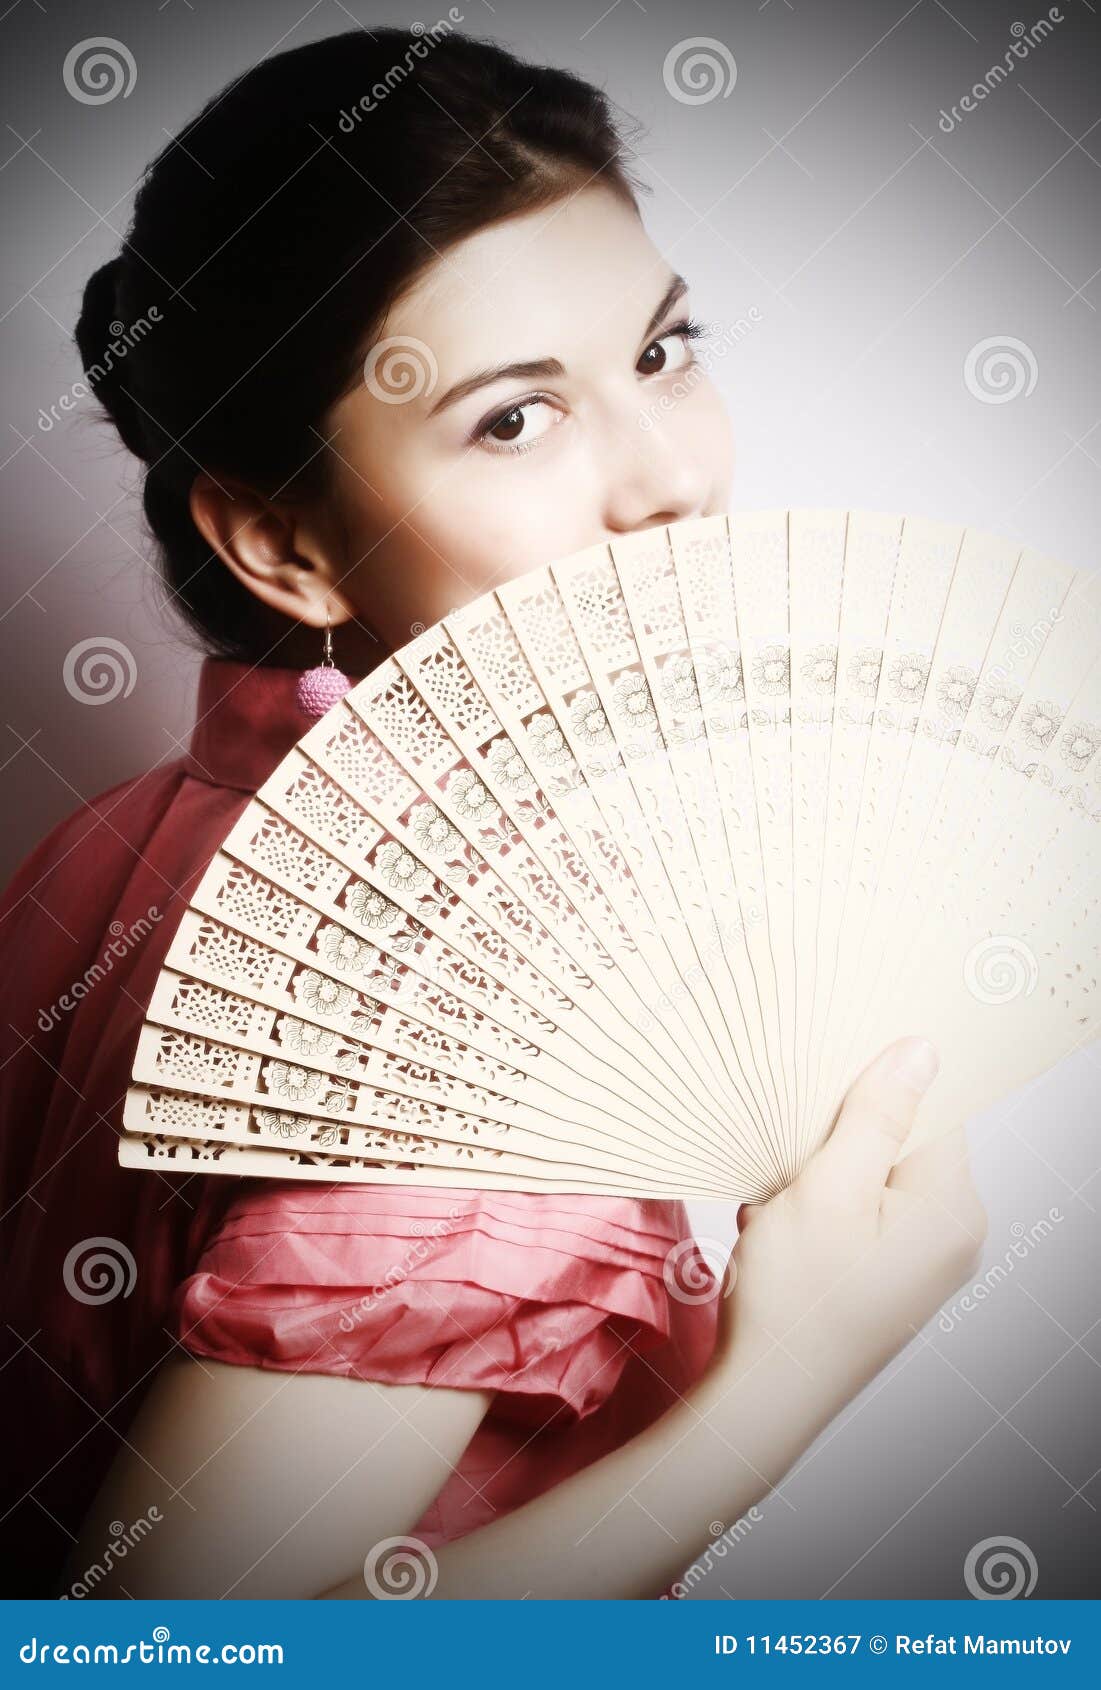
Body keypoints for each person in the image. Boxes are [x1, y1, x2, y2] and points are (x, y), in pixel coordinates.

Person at [0, 26, 986, 1600]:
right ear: (282, 541)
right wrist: (793, 1374)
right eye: (513, 418)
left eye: (661, 349)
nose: (671, 478)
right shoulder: (496, 1022)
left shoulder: (108, 846)